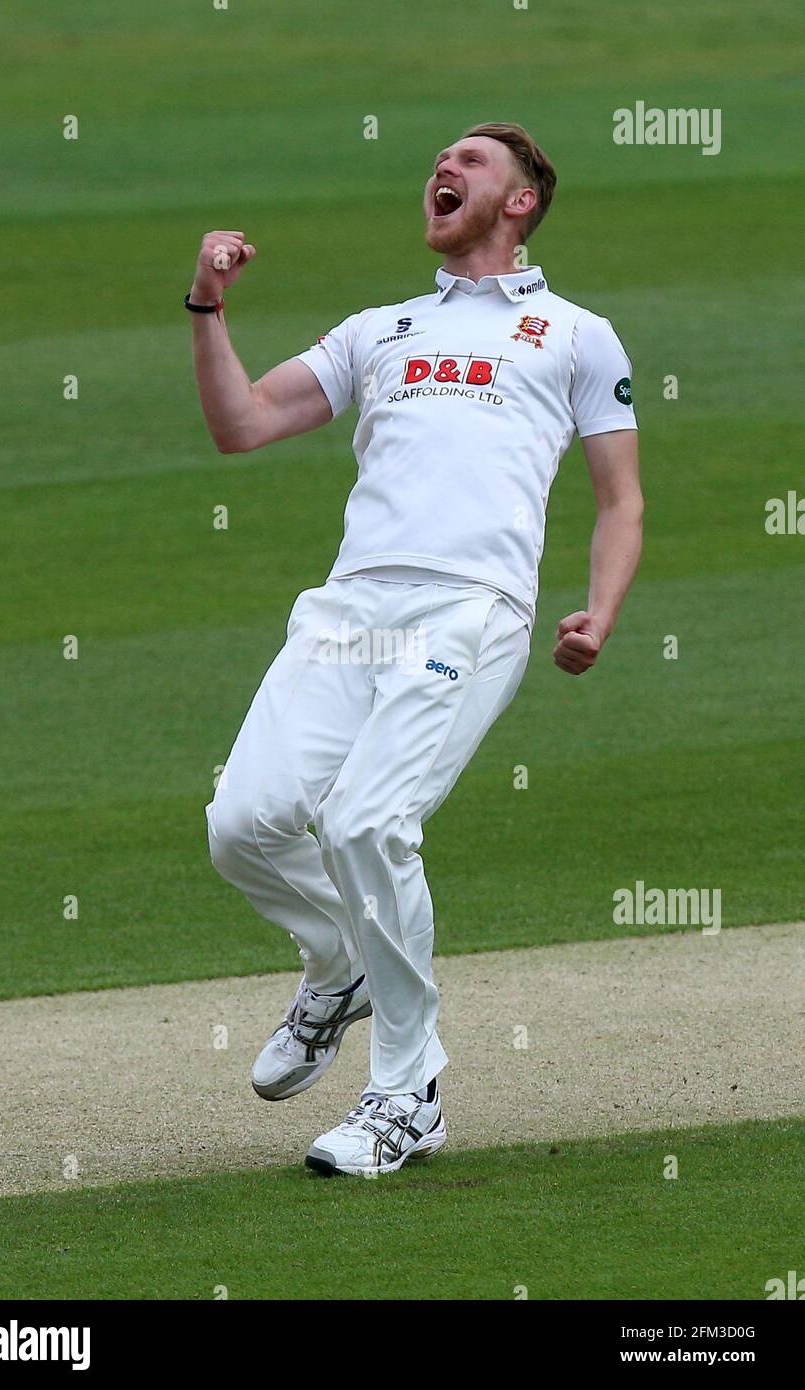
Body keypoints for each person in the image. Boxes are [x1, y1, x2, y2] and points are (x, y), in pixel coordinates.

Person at [187, 122, 643, 1176]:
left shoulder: (575, 335)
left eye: (472, 163)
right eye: (439, 160)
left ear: (521, 202)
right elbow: (242, 424)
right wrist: (207, 309)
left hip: (468, 612)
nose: (444, 170)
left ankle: (407, 1094)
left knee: (365, 818)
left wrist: (600, 609)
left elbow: (619, 497)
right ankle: (339, 962)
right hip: (347, 612)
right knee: (243, 824)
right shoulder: (378, 329)